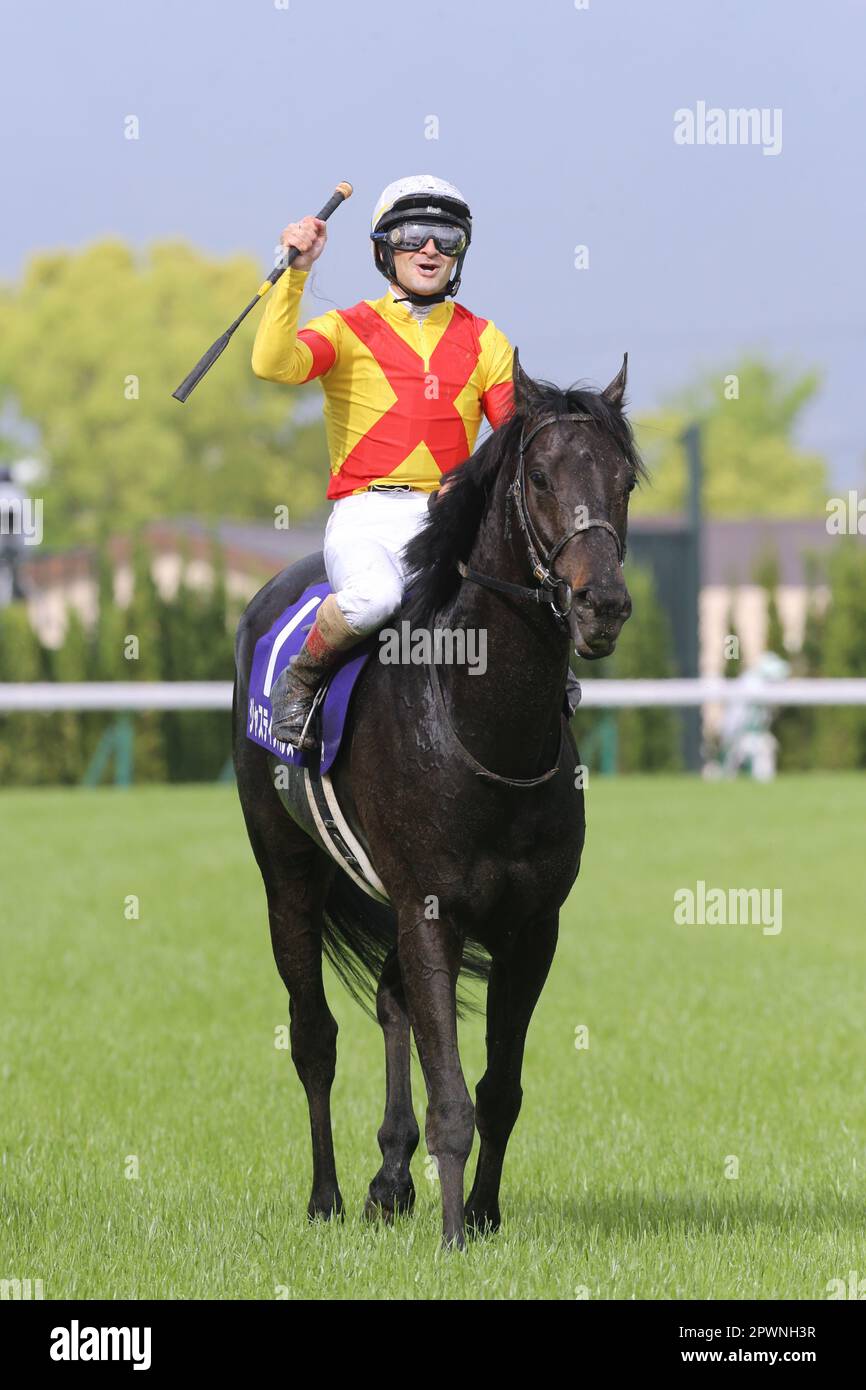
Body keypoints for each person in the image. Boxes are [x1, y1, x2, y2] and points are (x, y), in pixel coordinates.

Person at [252, 173, 578, 749]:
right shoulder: (347, 329)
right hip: (367, 517)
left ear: (460, 253)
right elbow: (274, 364)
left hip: (449, 519)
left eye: (446, 237)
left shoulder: (486, 340)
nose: (430, 248)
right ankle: (301, 679)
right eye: (414, 233)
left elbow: (520, 442)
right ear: (384, 248)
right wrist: (294, 275)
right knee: (374, 598)